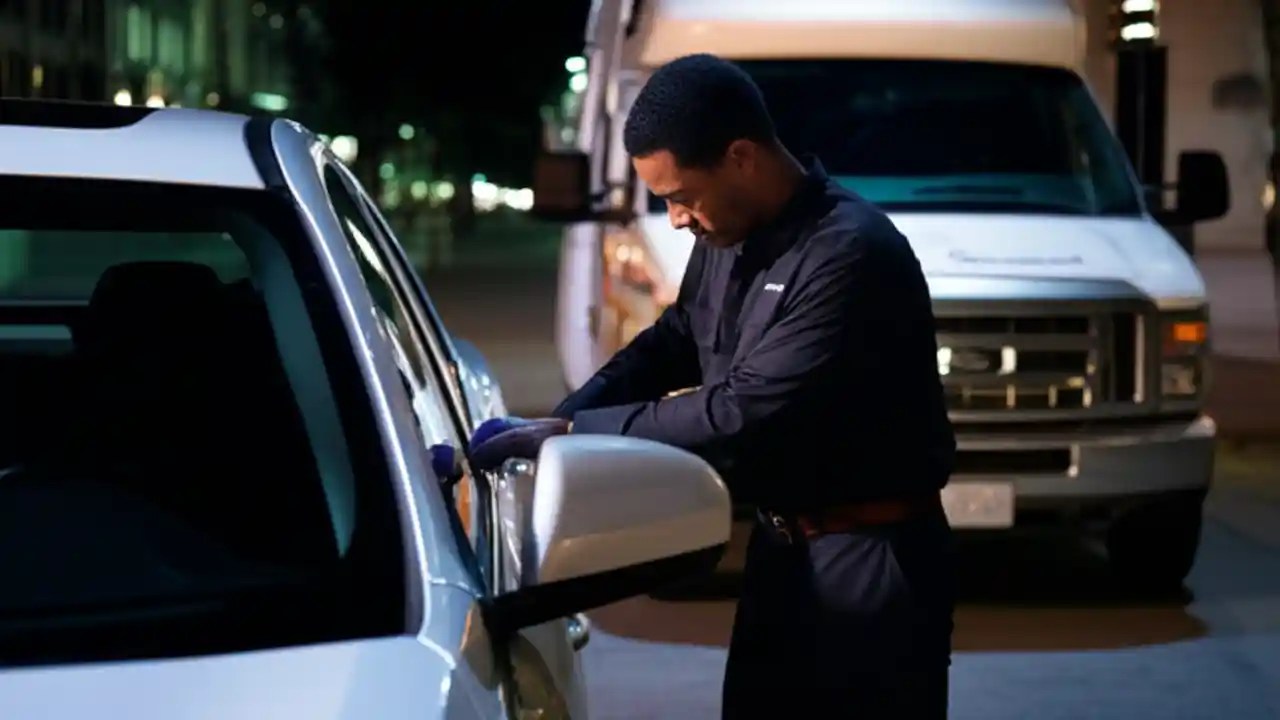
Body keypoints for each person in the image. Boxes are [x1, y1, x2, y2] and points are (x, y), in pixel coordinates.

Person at [468, 53, 957, 718]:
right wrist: (567, 419)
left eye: (679, 196)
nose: (675, 218)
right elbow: (676, 342)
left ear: (741, 158)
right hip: (782, 551)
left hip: (868, 563)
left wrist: (576, 434)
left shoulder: (850, 252)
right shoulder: (726, 232)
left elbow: (741, 412)